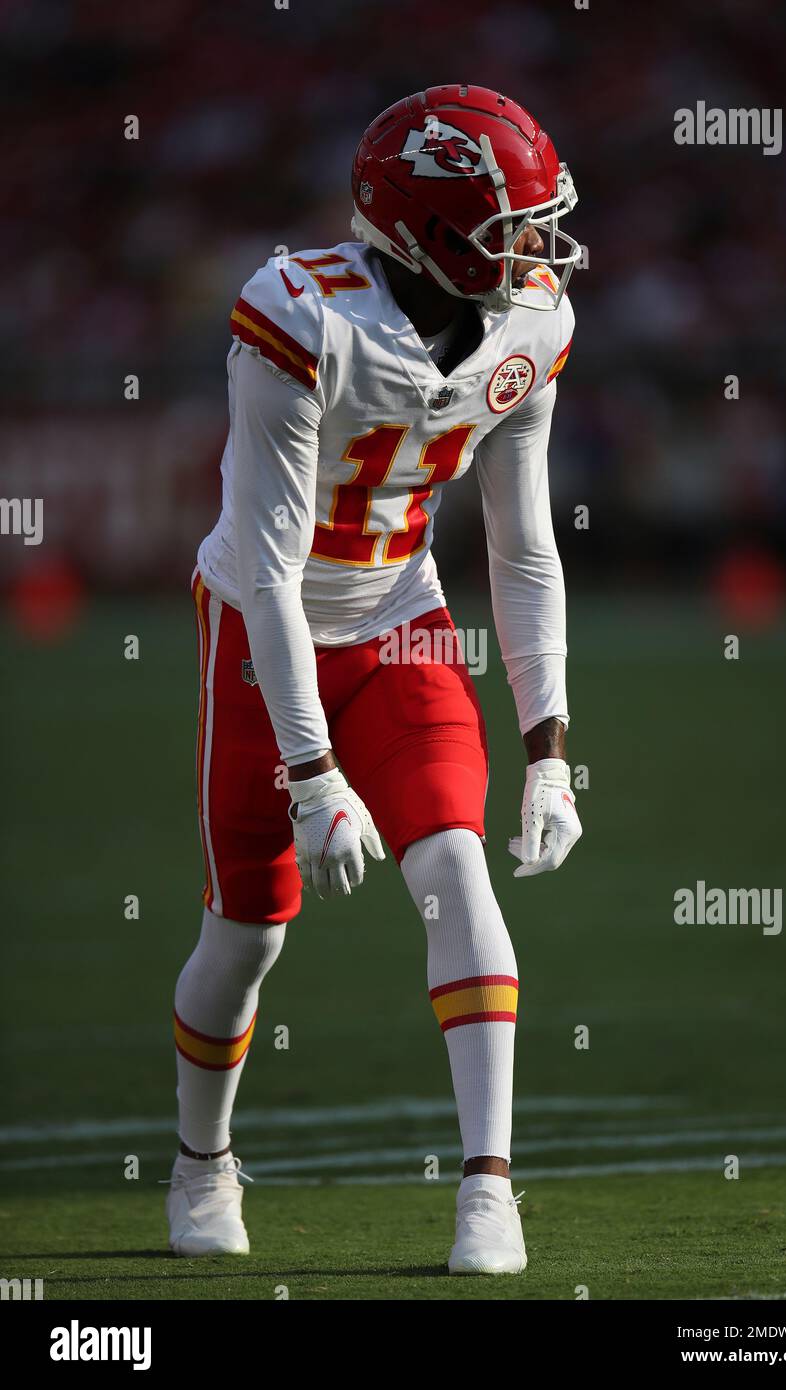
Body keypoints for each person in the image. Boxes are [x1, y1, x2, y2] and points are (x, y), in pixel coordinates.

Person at [167, 83, 583, 1276]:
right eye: (511, 227)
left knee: (454, 861)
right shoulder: (299, 318)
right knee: (245, 937)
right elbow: (267, 568)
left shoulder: (528, 323)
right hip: (263, 620)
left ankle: (488, 1191)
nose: (538, 251)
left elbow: (520, 543)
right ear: (431, 232)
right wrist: (311, 772)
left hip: (402, 612)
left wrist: (547, 746)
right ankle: (201, 1159)